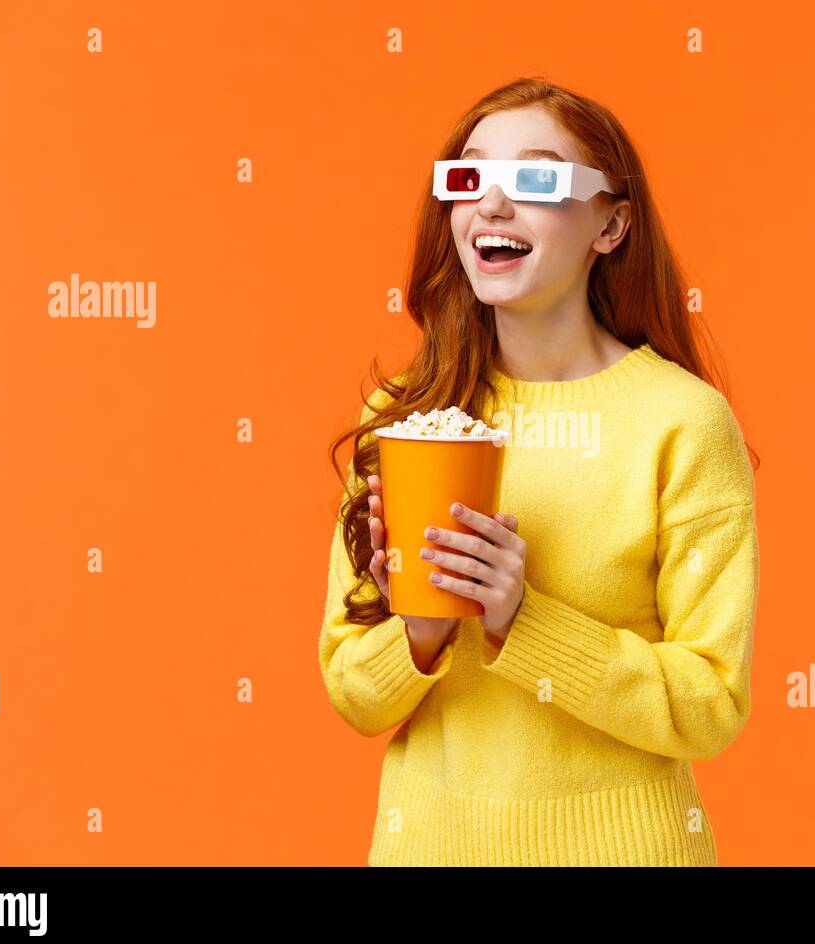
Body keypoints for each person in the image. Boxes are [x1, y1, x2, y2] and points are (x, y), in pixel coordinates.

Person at [319, 76, 760, 866]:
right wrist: (419, 636)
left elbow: (712, 704)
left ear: (612, 224)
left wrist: (523, 621)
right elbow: (353, 693)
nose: (490, 204)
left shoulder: (681, 423)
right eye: (467, 177)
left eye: (534, 178)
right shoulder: (408, 414)